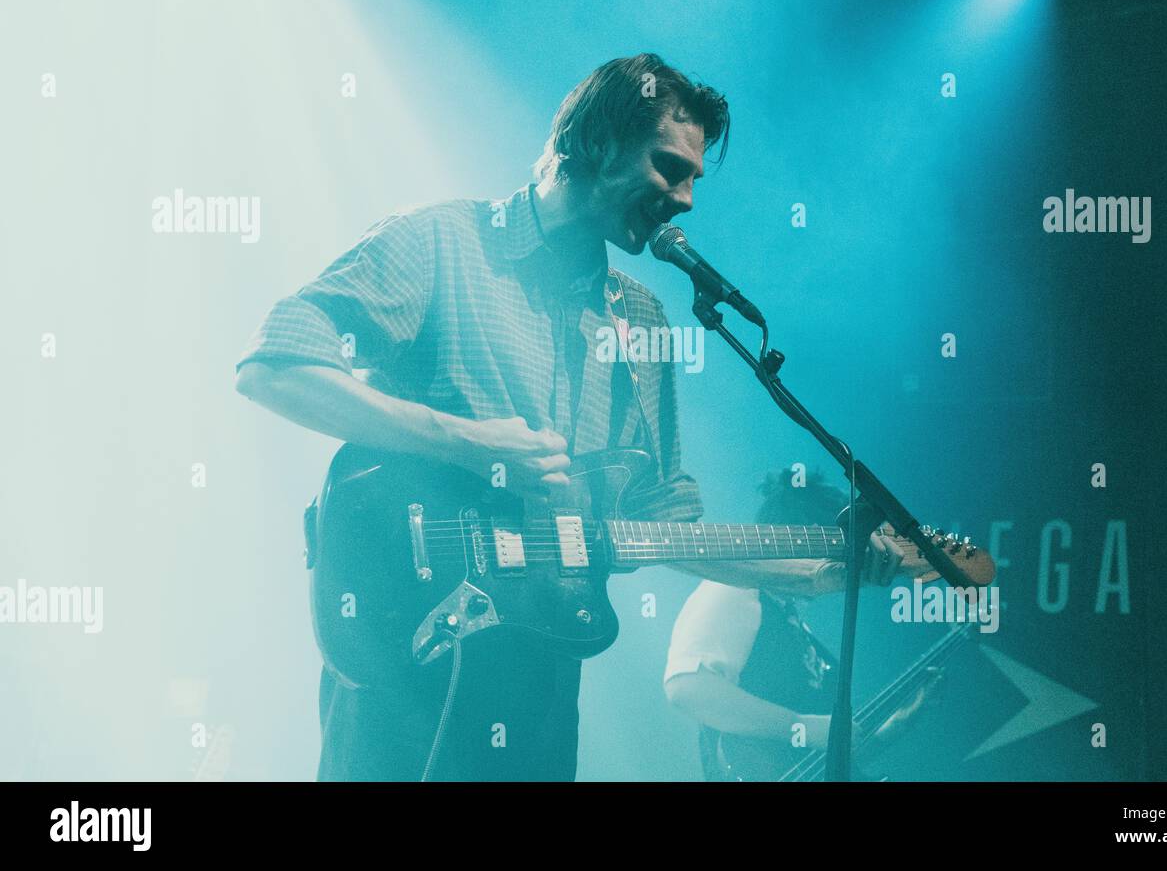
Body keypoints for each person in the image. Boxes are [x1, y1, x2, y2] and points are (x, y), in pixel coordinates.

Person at [234, 54, 897, 781]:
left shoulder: (639, 319)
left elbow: (662, 528)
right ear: (600, 141)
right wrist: (464, 441)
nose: (685, 199)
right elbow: (275, 367)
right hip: (407, 650)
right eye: (669, 167)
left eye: (694, 180)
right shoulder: (442, 243)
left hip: (542, 672)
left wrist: (810, 570)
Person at [664, 468, 921, 781]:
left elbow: (817, 757)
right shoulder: (735, 589)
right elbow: (688, 688)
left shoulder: (785, 616)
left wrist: (897, 725)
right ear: (813, 535)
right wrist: (800, 725)